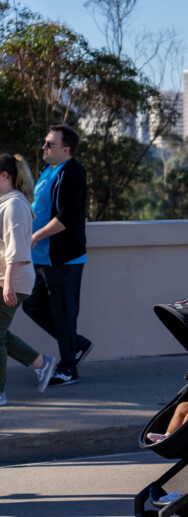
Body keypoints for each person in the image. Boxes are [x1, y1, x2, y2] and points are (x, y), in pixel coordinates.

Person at [22, 125, 92, 387]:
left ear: (66, 149)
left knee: (64, 313)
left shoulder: (72, 173)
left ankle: (68, 368)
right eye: (45, 142)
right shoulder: (48, 170)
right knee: (32, 304)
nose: (44, 147)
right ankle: (77, 344)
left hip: (63, 258)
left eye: (49, 144)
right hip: (41, 257)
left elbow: (67, 217)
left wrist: (36, 236)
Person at [0, 154, 57, 406]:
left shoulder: (14, 205)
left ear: (5, 175)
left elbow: (17, 248)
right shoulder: (6, 203)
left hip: (9, 280)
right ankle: (41, 363)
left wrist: (8, 283)